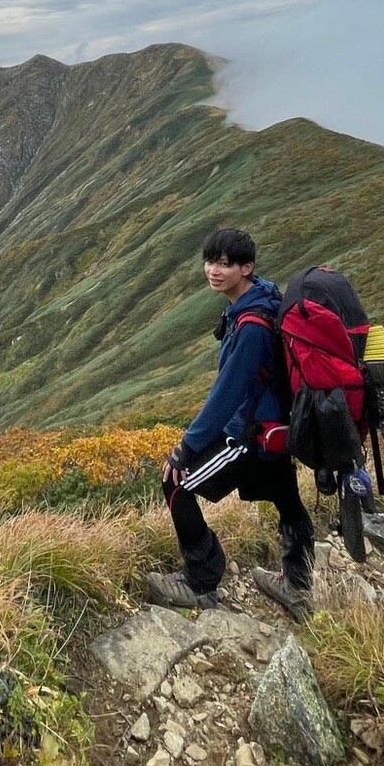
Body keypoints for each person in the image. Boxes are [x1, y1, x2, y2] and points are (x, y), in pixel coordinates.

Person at [146, 228, 315, 617]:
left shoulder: (252, 325)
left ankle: (201, 582)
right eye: (210, 262)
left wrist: (185, 448)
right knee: (288, 501)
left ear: (246, 268)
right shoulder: (265, 299)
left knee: (175, 483)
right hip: (276, 429)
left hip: (250, 434)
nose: (214, 271)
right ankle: (298, 585)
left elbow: (228, 395)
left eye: (225, 264)